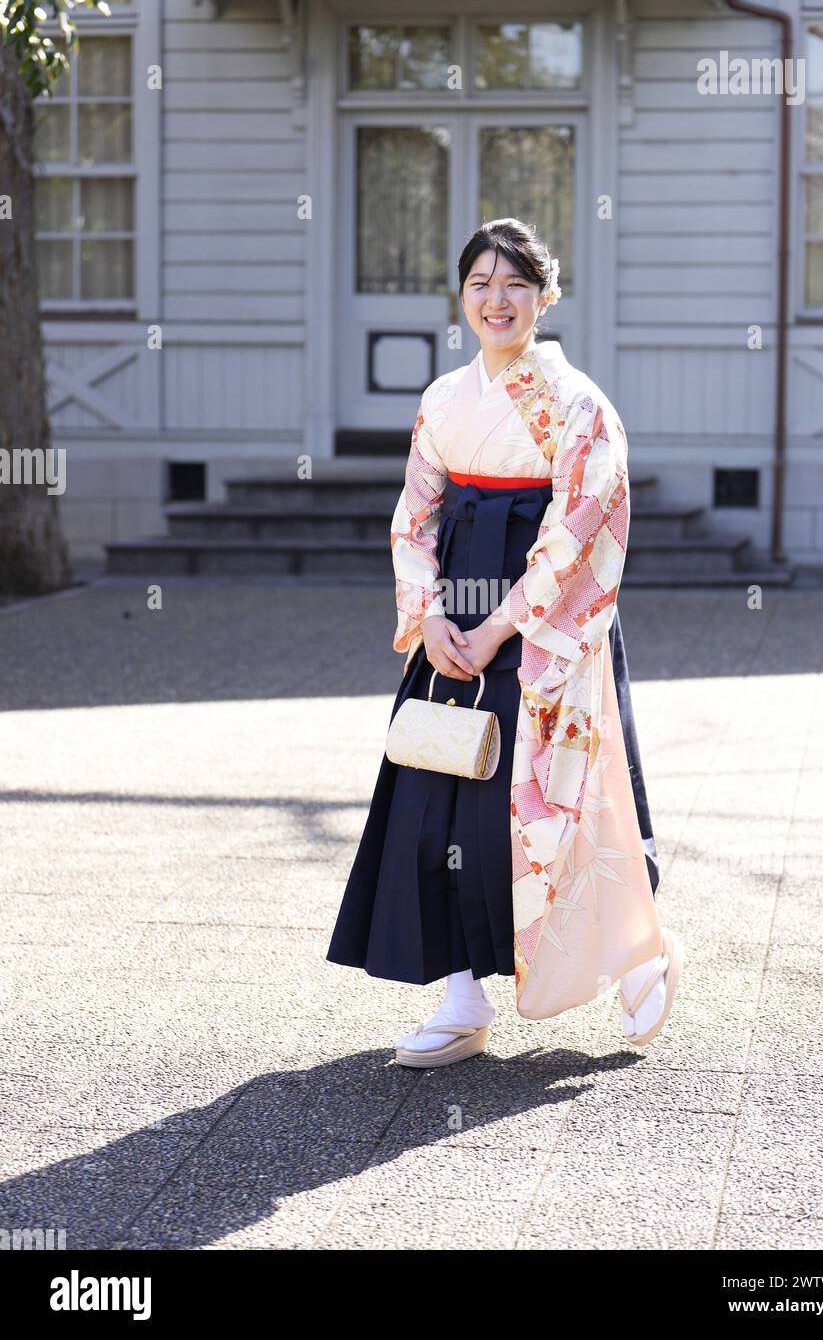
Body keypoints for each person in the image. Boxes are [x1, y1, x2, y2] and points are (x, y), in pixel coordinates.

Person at [326, 217, 683, 1067]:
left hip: (543, 623)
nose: (497, 300)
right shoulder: (444, 399)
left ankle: (637, 954)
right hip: (452, 619)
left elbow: (577, 529)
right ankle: (459, 995)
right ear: (461, 298)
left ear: (545, 297)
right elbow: (415, 515)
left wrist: (497, 627)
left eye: (515, 284)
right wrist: (432, 616)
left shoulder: (578, 405)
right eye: (481, 284)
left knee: (553, 807)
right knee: (436, 803)